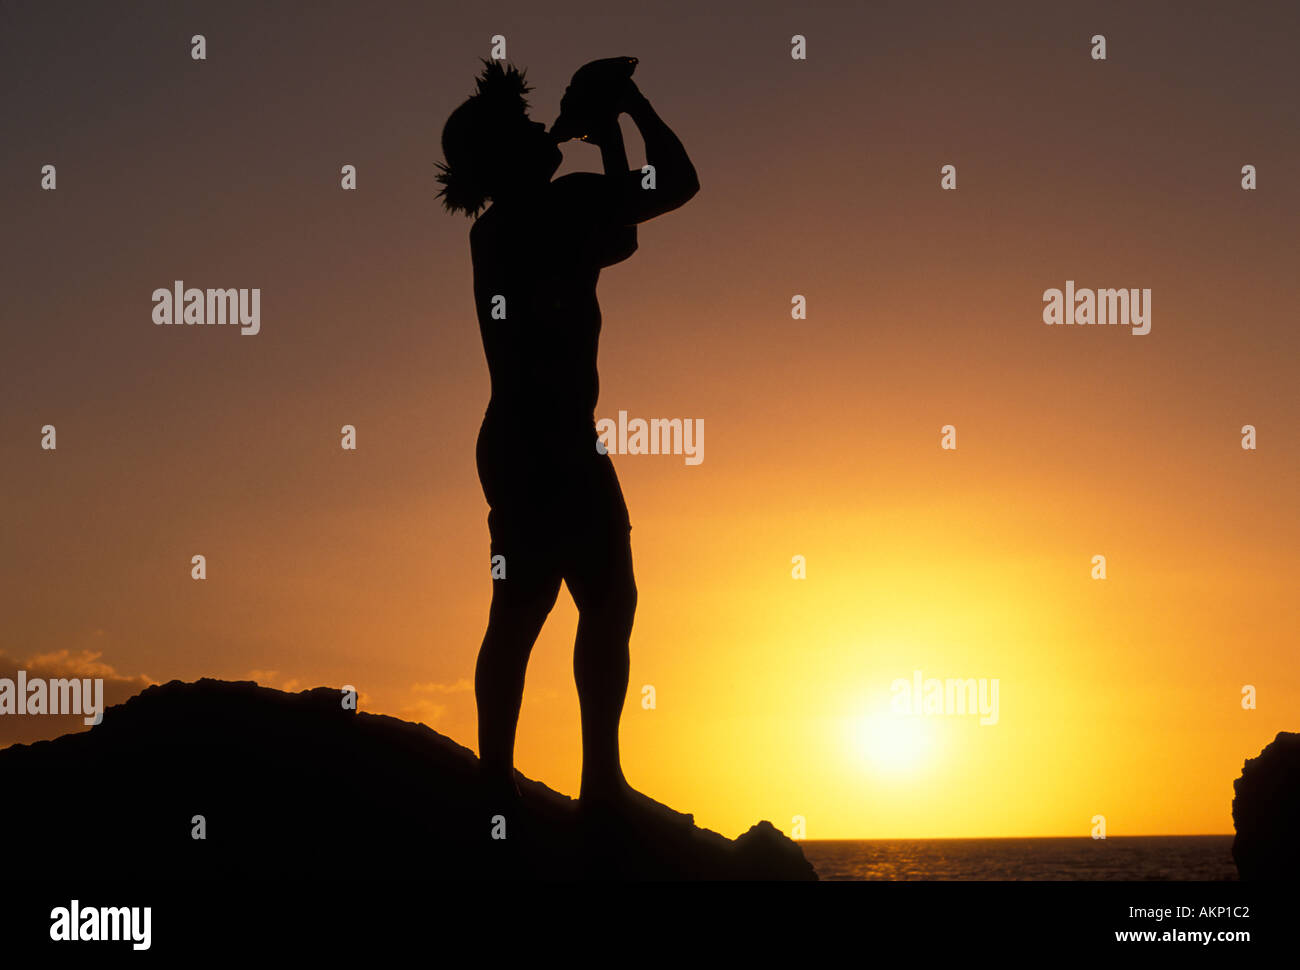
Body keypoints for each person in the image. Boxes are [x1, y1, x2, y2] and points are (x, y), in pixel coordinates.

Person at [435, 60, 699, 818]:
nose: (536, 128)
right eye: (522, 129)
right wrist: (626, 109)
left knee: (567, 607)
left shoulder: (515, 224)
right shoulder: (542, 215)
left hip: (530, 442)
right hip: (539, 444)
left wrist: (611, 123)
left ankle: (547, 782)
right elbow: (671, 185)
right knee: (559, 608)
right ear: (503, 161)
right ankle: (571, 785)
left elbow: (620, 236)